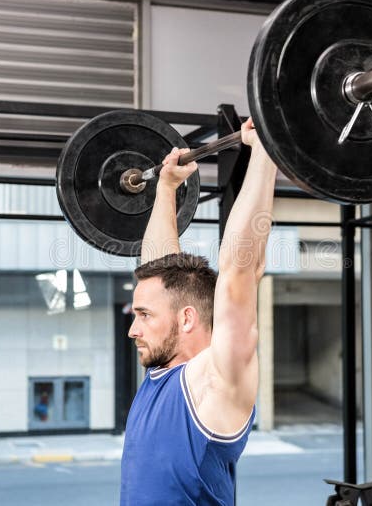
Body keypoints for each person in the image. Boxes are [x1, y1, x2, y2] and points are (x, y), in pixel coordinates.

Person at [120, 118, 277, 505]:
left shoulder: (217, 382)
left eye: (144, 316)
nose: (132, 330)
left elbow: (241, 270)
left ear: (187, 319)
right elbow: (161, 271)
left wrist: (266, 153)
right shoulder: (161, 372)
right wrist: (166, 189)